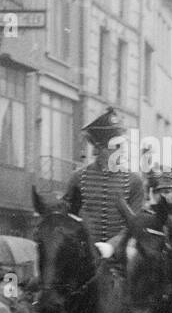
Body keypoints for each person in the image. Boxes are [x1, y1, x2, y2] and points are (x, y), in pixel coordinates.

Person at [61, 107, 145, 260]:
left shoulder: (134, 181)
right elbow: (67, 218)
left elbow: (135, 223)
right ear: (98, 149)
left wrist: (111, 245)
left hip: (121, 254)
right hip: (84, 254)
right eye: (114, 147)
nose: (121, 151)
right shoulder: (78, 178)